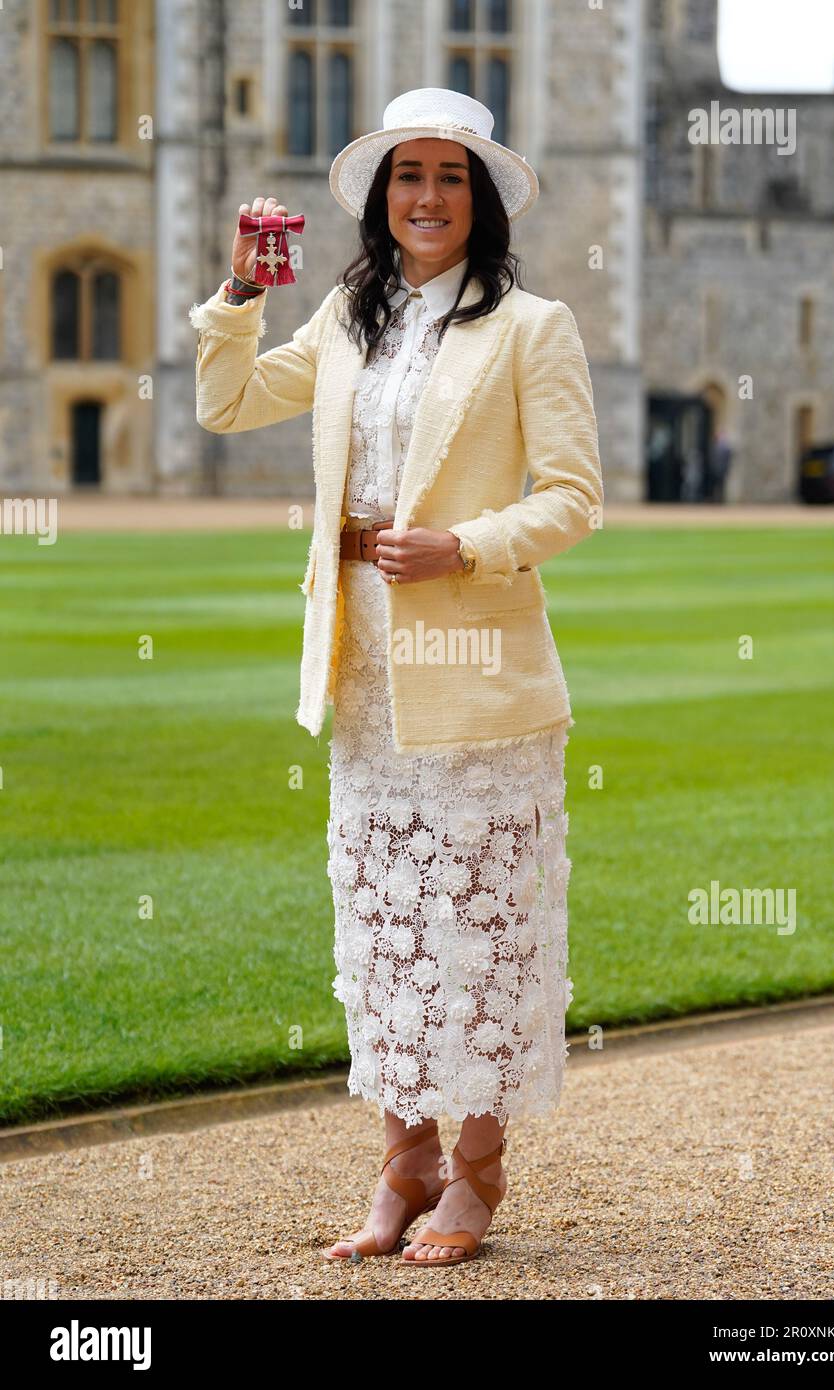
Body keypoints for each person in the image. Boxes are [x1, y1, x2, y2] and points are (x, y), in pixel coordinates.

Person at [189, 88, 603, 1269]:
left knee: (476, 936)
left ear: (480, 197)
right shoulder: (346, 318)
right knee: (385, 935)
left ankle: (476, 1174)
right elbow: (225, 403)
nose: (427, 196)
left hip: (473, 667)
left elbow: (574, 498)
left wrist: (465, 545)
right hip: (364, 665)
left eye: (451, 176)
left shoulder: (535, 326)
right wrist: (240, 291)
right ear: (382, 198)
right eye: (408, 175)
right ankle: (403, 1161)